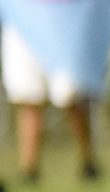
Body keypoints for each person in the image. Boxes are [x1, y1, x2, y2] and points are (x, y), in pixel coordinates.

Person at [2, 23, 100, 182]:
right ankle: (29, 170)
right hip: (20, 23)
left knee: (71, 98)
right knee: (29, 99)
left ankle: (88, 162)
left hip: (61, 23)